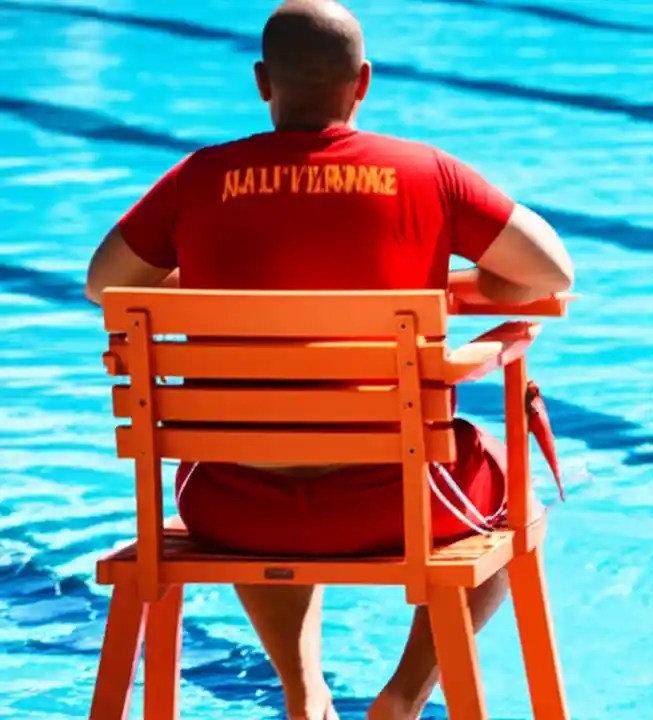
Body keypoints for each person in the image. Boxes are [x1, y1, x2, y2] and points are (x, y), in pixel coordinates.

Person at [83, 1, 573, 718]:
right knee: (516, 507)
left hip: (229, 508)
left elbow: (106, 284)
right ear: (363, 82)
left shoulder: (200, 176)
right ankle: (402, 700)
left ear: (262, 81)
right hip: (397, 507)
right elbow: (551, 272)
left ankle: (303, 694)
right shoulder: (424, 172)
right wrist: (473, 284)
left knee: (244, 446)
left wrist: (211, 281)